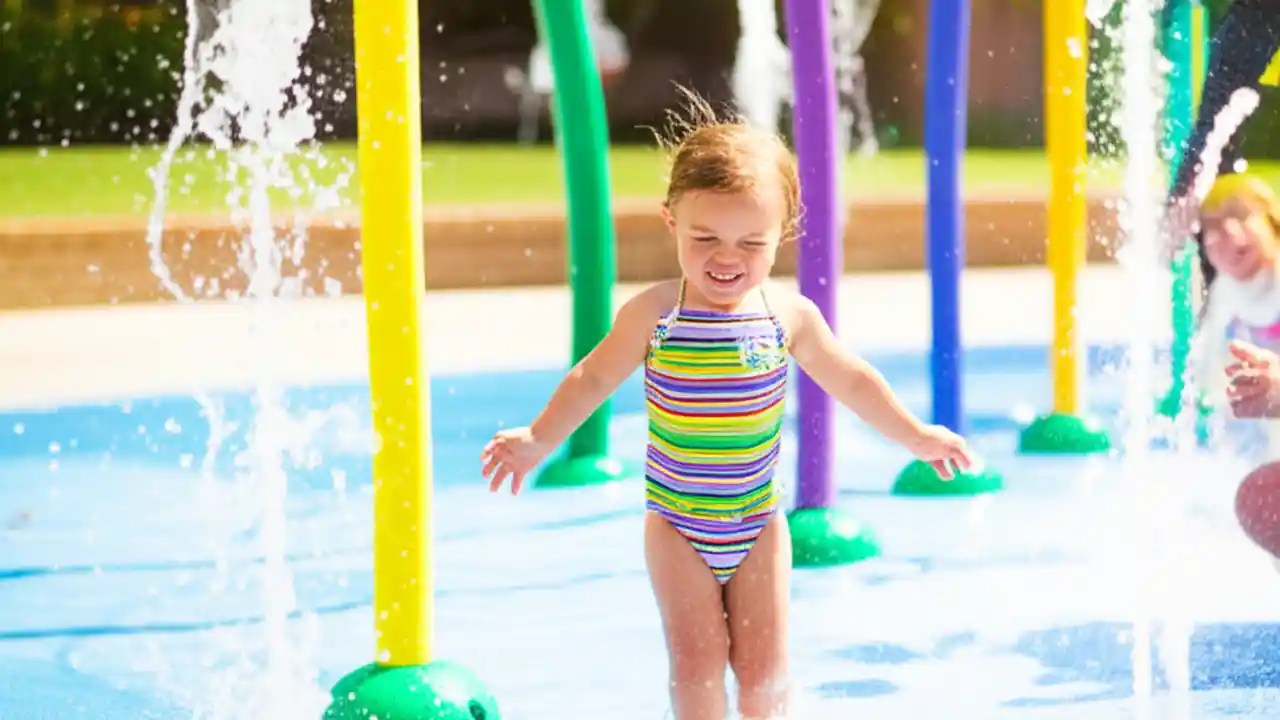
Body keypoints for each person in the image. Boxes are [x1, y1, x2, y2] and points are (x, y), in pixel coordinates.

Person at [479, 91, 973, 720]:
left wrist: (914, 435)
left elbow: (850, 378)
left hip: (759, 523)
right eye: (705, 236)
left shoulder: (787, 316)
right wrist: (538, 439)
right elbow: (593, 375)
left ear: (784, 233)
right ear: (670, 223)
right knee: (697, 664)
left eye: (750, 242)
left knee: (764, 675)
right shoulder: (657, 314)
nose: (726, 258)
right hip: (677, 527)